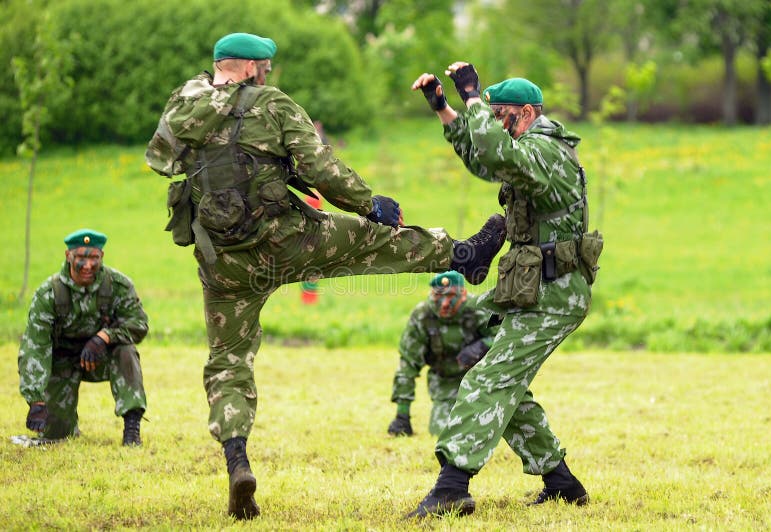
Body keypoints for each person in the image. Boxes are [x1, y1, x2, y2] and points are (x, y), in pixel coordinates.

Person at [145, 33, 507, 520]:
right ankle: (463, 256)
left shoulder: (182, 105)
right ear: (249, 68)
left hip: (222, 256)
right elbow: (319, 167)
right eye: (264, 67)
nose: (268, 74)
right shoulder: (272, 104)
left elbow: (160, 161)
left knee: (228, 360)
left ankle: (237, 460)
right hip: (285, 240)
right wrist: (369, 204)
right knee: (371, 241)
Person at [405, 63, 604, 518]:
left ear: (527, 113)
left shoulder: (546, 151)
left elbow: (496, 153)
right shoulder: (524, 150)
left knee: (489, 379)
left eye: (501, 116)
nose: (494, 124)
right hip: (530, 289)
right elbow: (484, 157)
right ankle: (561, 482)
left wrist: (473, 96)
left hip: (555, 296)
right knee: (499, 375)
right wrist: (445, 111)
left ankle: (452, 487)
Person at [18, 229, 149, 447]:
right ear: (68, 256)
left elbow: (139, 324)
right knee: (57, 435)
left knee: (126, 351)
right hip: (62, 362)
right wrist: (36, 399)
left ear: (102, 256)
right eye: (81, 257)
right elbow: (35, 347)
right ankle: (63, 423)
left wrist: (104, 337)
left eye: (94, 258)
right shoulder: (49, 294)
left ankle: (132, 429)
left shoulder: (118, 286)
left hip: (99, 358)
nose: (88, 265)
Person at [388, 271, 497, 437]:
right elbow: (408, 364)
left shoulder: (478, 309)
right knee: (443, 432)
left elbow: (505, 338)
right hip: (445, 383)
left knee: (482, 427)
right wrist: (402, 415)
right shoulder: (422, 315)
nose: (444, 303)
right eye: (438, 296)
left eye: (451, 296)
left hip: (480, 380)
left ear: (463, 294)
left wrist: (482, 346)